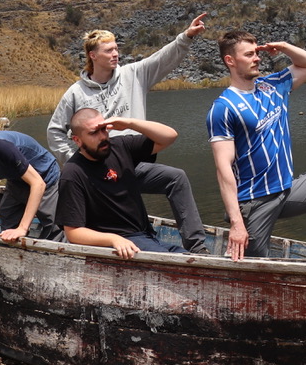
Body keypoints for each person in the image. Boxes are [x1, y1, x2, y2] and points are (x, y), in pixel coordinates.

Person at [46, 14, 209, 254]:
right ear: (93, 56)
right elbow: (55, 131)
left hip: (132, 160)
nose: (115, 54)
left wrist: (186, 37)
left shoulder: (133, 74)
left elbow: (162, 60)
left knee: (176, 178)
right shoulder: (76, 93)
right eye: (109, 50)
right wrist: (78, 163)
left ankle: (197, 247)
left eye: (116, 49)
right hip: (97, 169)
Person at [206, 31, 306, 261]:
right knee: (252, 264)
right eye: (249, 54)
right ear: (230, 61)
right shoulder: (223, 108)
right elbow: (223, 170)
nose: (257, 58)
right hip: (254, 202)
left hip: (286, 190)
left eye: (257, 53)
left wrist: (283, 46)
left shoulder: (272, 86)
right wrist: (236, 223)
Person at [56, 107, 204, 258]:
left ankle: (197, 246)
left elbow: (169, 136)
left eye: (104, 129)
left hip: (147, 236)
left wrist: (129, 123)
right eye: (94, 132)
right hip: (125, 244)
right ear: (77, 140)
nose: (102, 137)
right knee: (188, 263)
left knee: (188, 256)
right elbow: (73, 232)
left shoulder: (119, 146)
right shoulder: (73, 173)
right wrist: (113, 239)